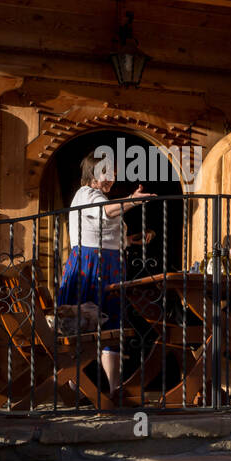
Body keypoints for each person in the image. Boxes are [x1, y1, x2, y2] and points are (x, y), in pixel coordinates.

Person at [56, 153, 150, 400]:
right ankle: (75, 387)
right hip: (92, 266)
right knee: (85, 324)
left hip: (107, 264)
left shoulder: (98, 196)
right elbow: (106, 212)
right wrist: (132, 200)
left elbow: (102, 231)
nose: (112, 178)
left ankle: (114, 389)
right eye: (107, 173)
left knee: (111, 323)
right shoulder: (87, 194)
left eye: (114, 174)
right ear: (94, 173)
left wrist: (130, 240)